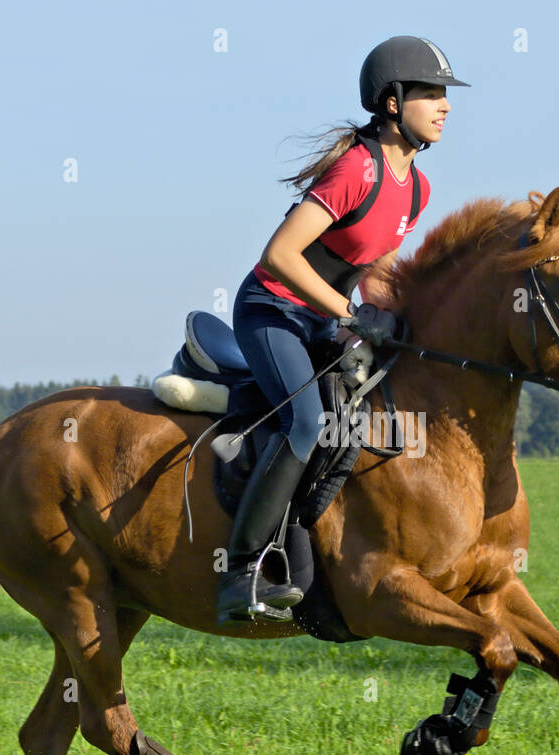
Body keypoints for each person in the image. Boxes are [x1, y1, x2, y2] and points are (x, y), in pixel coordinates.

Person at [217, 36, 469, 624]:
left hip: (321, 317)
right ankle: (241, 570)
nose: (445, 105)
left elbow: (376, 265)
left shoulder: (418, 188)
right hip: (272, 310)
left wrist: (395, 322)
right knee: (306, 420)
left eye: (445, 96)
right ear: (391, 103)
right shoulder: (356, 168)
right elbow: (279, 254)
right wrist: (350, 315)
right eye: (431, 93)